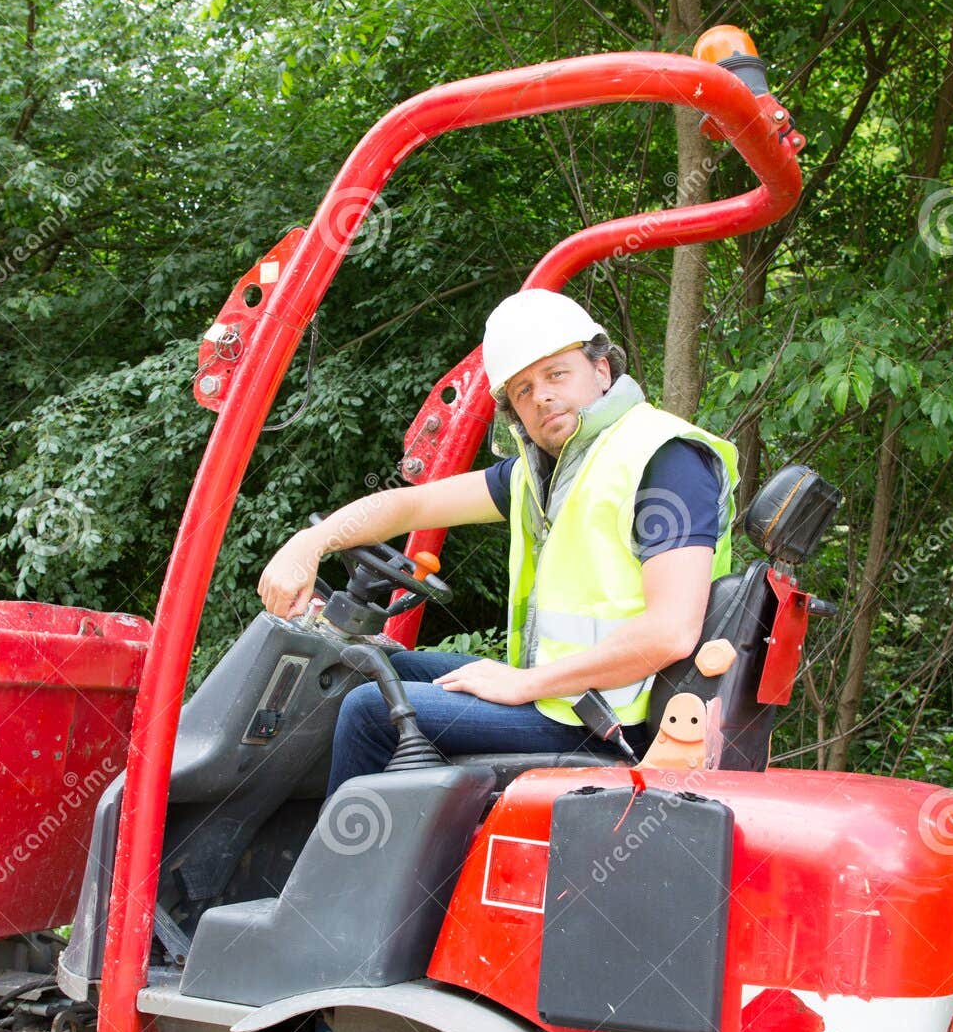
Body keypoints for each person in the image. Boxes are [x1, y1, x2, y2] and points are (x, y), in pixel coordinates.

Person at [258, 289, 739, 793]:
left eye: (557, 374)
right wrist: (309, 542)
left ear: (602, 371)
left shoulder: (663, 458)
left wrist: (524, 684)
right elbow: (412, 505)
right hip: (568, 693)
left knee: (371, 707)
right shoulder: (546, 475)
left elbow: (671, 632)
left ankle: (343, 867)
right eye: (523, 390)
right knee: (376, 667)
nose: (542, 396)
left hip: (615, 723)